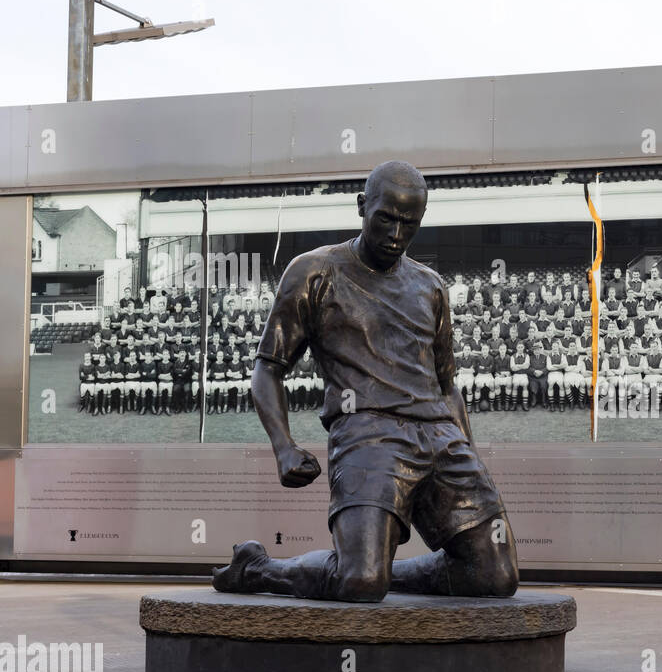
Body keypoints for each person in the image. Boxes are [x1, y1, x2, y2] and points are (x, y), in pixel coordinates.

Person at [214, 161, 518, 602]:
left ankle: (381, 570)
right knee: (360, 582)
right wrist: (284, 447)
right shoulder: (314, 272)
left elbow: (446, 383)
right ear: (362, 206)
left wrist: (466, 451)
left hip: (439, 436)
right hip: (368, 434)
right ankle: (261, 569)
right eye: (386, 218)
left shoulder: (430, 286)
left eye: (409, 224)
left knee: (495, 575)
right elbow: (269, 367)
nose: (396, 233)